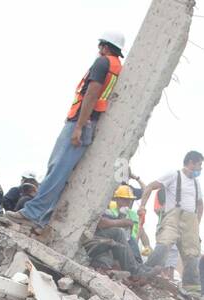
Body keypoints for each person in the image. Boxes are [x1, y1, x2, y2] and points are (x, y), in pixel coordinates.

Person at [9, 30, 125, 229]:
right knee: (61, 171)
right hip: (88, 121)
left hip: (81, 121)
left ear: (104, 46)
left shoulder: (102, 62)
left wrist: (79, 126)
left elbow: (92, 93)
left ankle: (33, 213)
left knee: (57, 169)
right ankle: (42, 217)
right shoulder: (116, 66)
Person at [140, 151, 204, 292]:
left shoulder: (196, 183)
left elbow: (200, 204)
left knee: (192, 255)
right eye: (199, 165)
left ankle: (192, 290)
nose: (201, 169)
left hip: (191, 221)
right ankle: (145, 275)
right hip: (173, 217)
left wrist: (197, 224)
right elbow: (151, 186)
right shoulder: (174, 175)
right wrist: (142, 206)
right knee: (164, 244)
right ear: (191, 163)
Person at [85, 185, 144, 274]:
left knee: (128, 240)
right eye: (125, 199)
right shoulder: (102, 206)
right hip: (90, 243)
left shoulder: (129, 214)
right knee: (118, 233)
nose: (128, 202)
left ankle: (137, 266)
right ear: (117, 199)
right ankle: (134, 271)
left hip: (104, 247)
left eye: (129, 200)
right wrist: (121, 222)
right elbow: (100, 222)